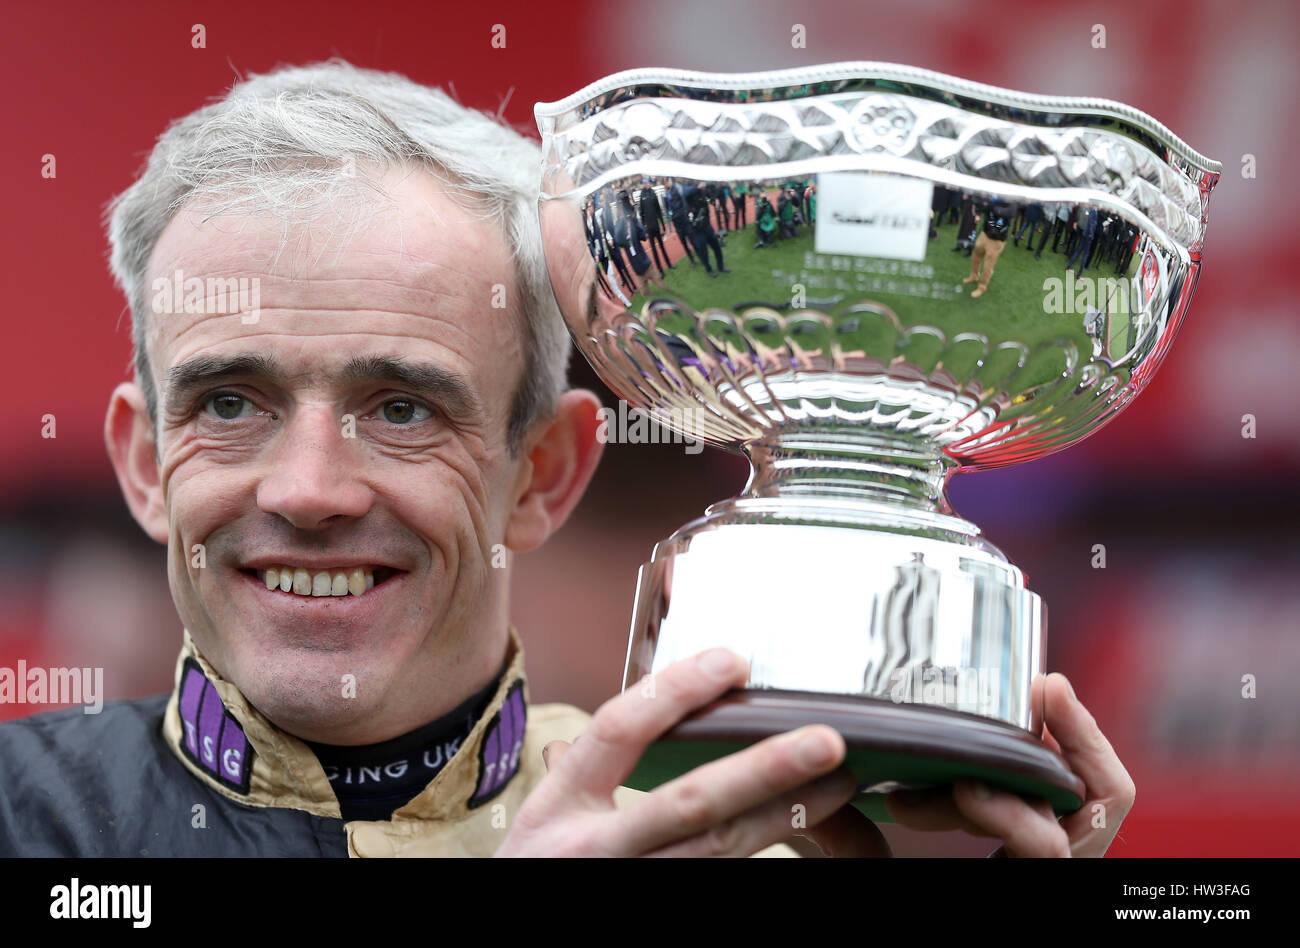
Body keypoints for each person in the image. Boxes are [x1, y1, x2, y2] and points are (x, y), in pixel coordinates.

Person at [0, 61, 1134, 858]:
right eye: (232, 401)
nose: (307, 491)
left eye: (400, 409)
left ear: (543, 473)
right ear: (146, 465)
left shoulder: (739, 845)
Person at [963, 198, 1013, 298]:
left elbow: (1011, 212)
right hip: (985, 233)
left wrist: (993, 207)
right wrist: (979, 209)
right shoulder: (993, 195)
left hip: (997, 240)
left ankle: (982, 287)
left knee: (988, 266)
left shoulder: (1011, 198)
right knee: (976, 255)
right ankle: (974, 275)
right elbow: (984, 207)